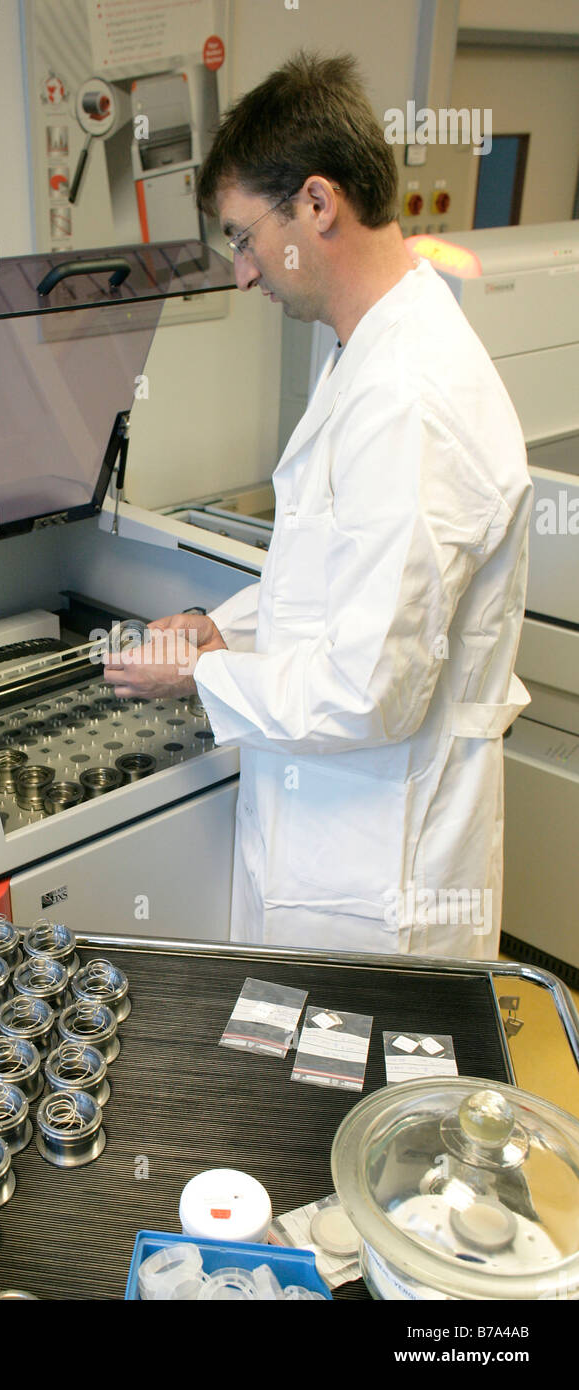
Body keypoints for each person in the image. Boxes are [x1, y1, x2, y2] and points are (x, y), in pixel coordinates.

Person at [103, 52, 532, 959]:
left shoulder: (408, 399)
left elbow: (371, 690)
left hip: (381, 871)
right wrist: (224, 627)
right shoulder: (370, 351)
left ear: (315, 203)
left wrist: (200, 676)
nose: (243, 275)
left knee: (365, 1098)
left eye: (243, 237)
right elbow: (335, 579)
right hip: (336, 834)